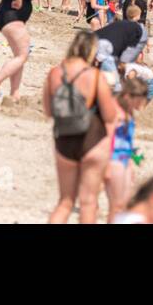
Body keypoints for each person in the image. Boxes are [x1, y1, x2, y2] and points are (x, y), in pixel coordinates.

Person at [43, 30, 120, 224]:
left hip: (64, 138)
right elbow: (110, 115)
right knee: (88, 203)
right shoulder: (94, 75)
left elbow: (48, 111)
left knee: (65, 202)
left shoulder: (55, 72)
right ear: (92, 50)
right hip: (92, 139)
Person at [104, 75, 150, 222]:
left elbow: (127, 140)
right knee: (116, 205)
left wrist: (130, 163)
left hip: (124, 160)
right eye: (140, 100)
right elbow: (107, 138)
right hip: (113, 160)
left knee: (124, 204)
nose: (142, 103)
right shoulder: (116, 112)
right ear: (129, 96)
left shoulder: (128, 111)